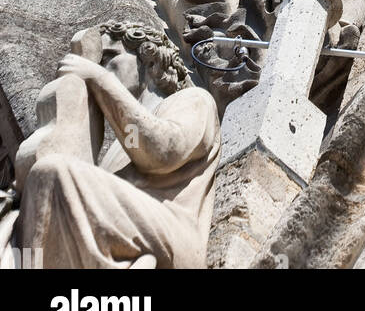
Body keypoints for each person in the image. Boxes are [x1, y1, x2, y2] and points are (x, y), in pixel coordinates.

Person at [5, 21, 219, 269]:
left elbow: (161, 151)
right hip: (132, 224)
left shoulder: (194, 100)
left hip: (171, 232)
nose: (99, 65)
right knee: (13, 219)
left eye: (109, 57)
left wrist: (100, 79)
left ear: (151, 61)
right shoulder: (123, 142)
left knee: (51, 174)